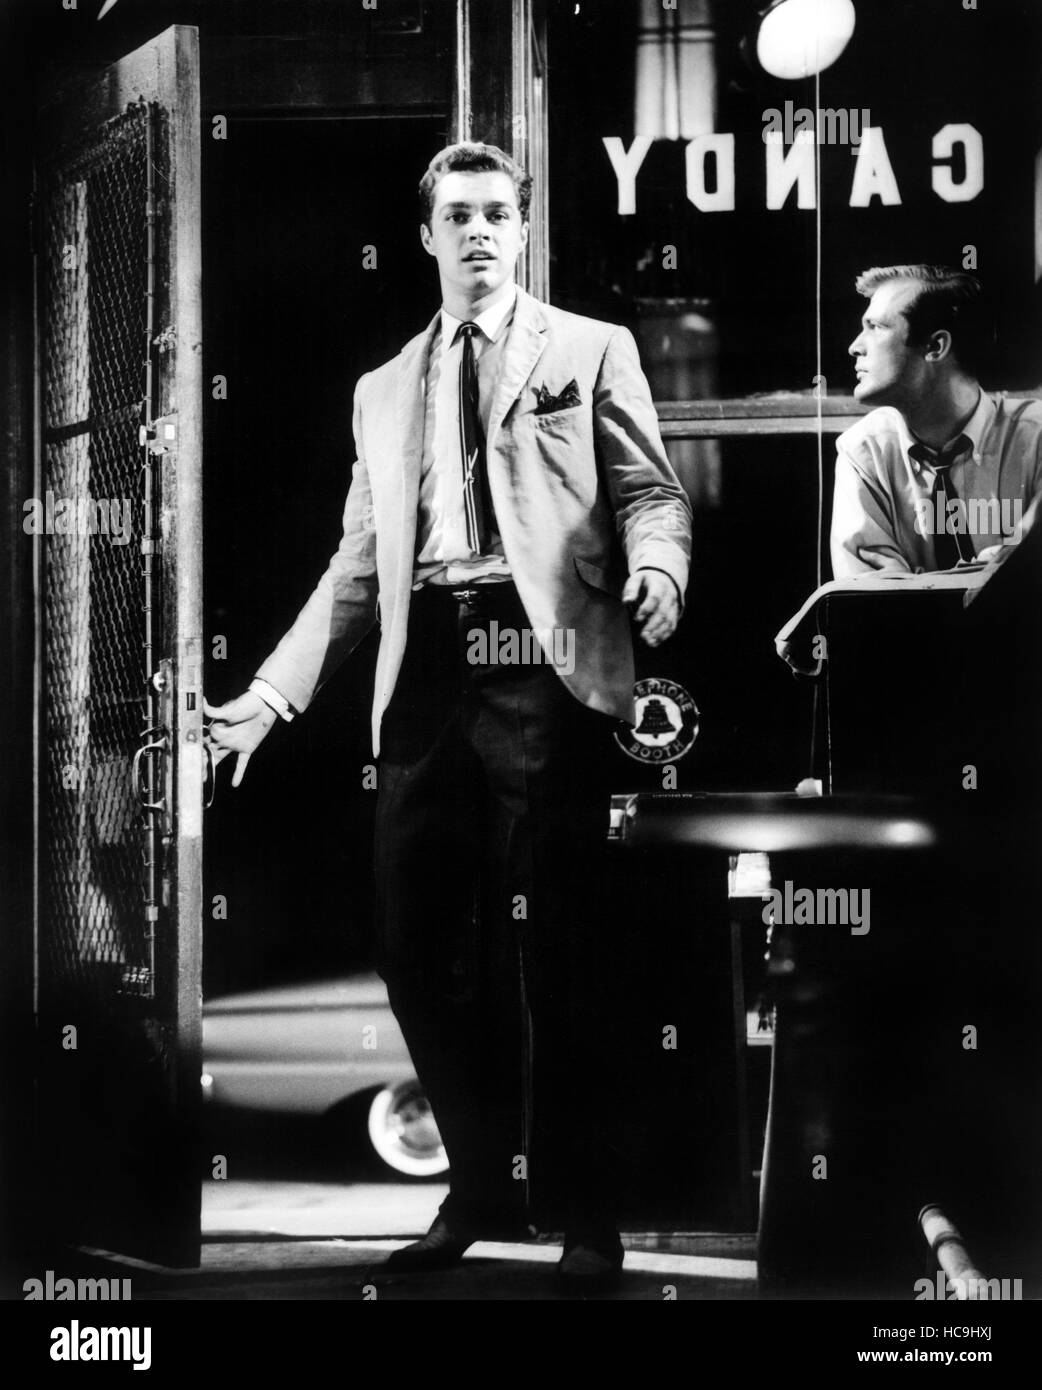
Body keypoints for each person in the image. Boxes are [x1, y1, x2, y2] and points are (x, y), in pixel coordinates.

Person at [203, 141, 692, 1291]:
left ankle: (586, 1213)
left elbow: (649, 493)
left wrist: (660, 573)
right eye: (457, 216)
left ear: (521, 230)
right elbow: (357, 567)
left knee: (559, 948)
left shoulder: (589, 348)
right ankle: (475, 1188)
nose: (478, 233)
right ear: (425, 237)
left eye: (497, 214)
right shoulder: (382, 387)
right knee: (419, 942)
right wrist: (269, 697)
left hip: (543, 665)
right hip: (425, 670)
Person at [831, 264, 1042, 577]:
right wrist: (1001, 564)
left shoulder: (1036, 438)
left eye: (875, 327)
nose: (855, 346)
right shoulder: (864, 452)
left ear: (935, 346)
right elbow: (870, 600)